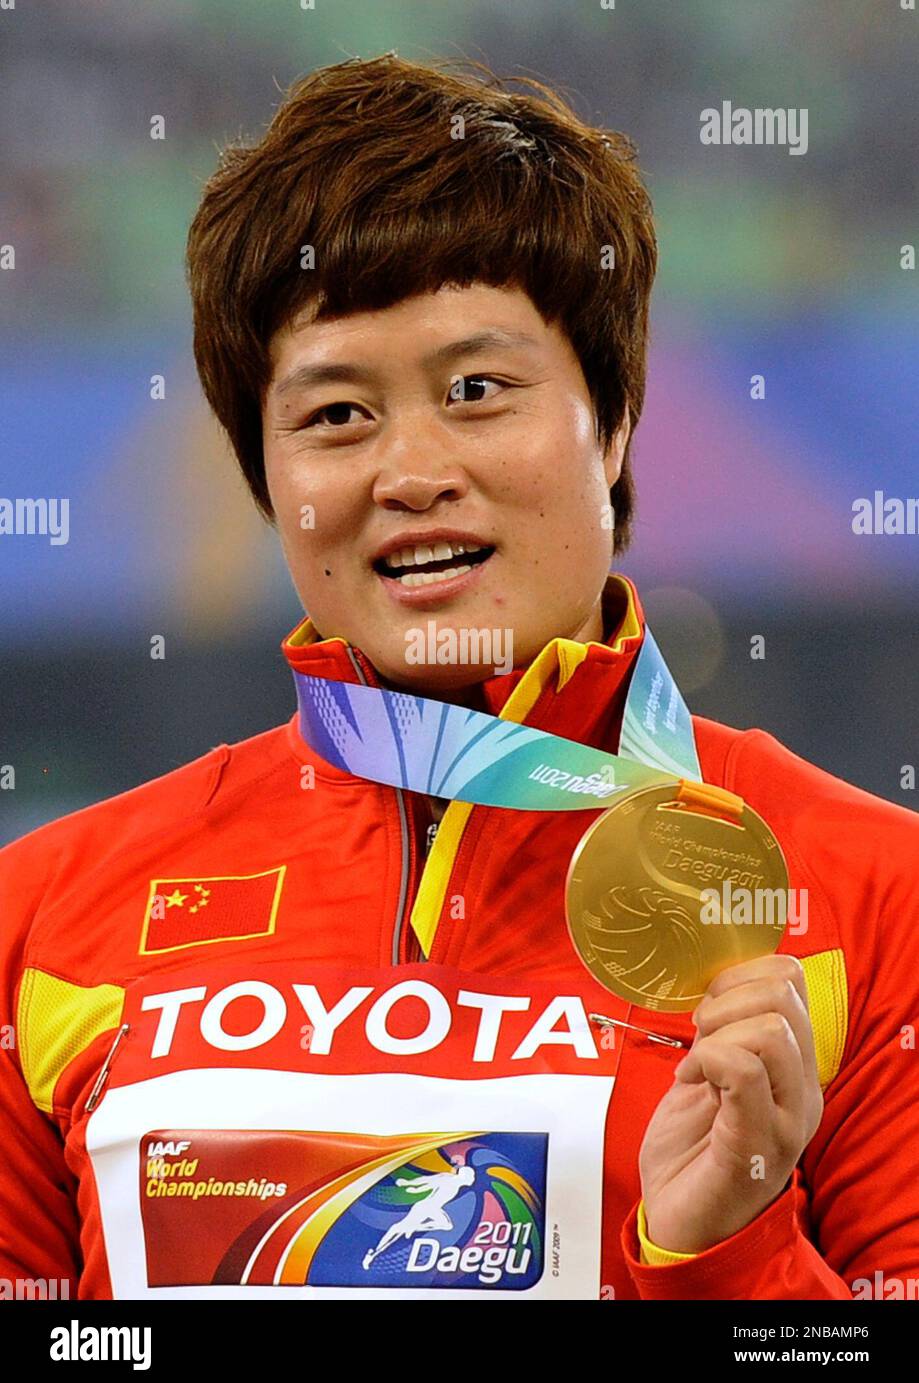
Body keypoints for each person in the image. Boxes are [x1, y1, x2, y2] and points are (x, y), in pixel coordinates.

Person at [1, 53, 917, 1302]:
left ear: (618, 413)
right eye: (334, 414)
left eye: (478, 390)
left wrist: (722, 1260)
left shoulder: (875, 901)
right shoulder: (40, 916)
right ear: (266, 477)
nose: (411, 469)